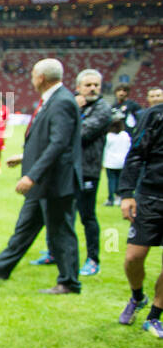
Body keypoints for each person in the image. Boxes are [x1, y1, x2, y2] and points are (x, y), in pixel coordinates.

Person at [0, 58, 82, 293]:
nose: (31, 78)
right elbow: (49, 140)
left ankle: (69, 282)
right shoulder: (54, 100)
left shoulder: (61, 101)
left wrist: (31, 175)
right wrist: (25, 157)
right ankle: (2, 267)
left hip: (54, 181)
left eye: (33, 74)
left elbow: (58, 144)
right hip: (44, 181)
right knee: (25, 226)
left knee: (60, 231)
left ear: (41, 77)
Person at [117, 104, 163, 336]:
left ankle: (155, 315)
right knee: (134, 257)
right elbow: (136, 153)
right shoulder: (155, 115)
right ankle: (137, 296)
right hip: (150, 196)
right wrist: (126, 193)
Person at [72, 69, 114, 276]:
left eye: (96, 85)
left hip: (88, 170)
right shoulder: (76, 105)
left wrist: (74, 113)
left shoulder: (103, 109)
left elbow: (81, 134)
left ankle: (92, 259)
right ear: (78, 87)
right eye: (88, 85)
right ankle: (56, 252)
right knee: (62, 213)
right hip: (68, 168)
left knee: (87, 215)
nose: (93, 88)